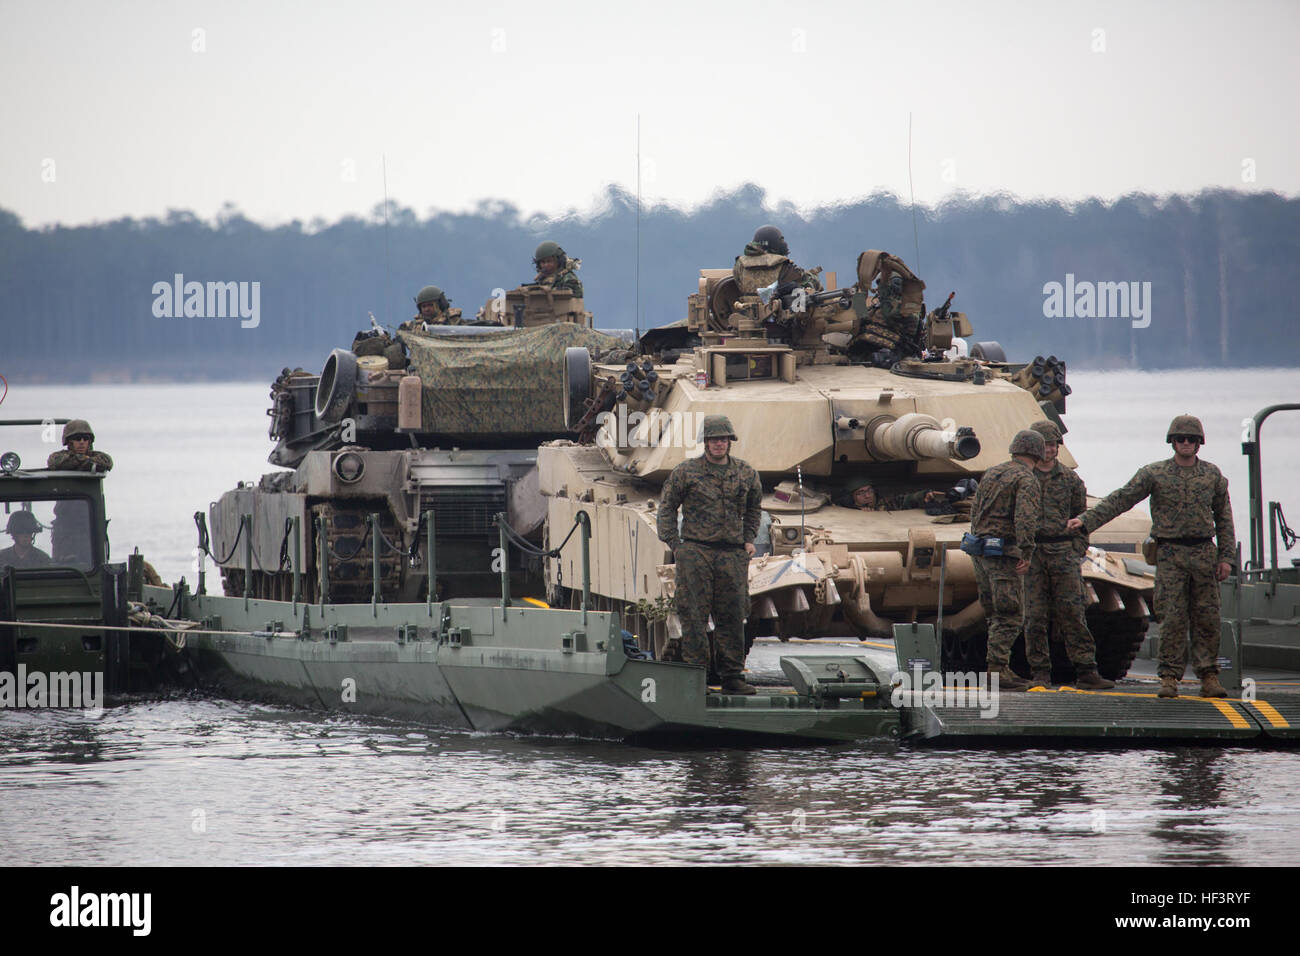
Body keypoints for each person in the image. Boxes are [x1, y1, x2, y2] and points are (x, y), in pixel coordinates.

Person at [1068, 415, 1235, 699]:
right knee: (1172, 618)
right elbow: (1121, 499)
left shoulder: (1212, 475)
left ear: (1199, 443)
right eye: (1180, 438)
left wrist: (1227, 558)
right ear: (1172, 442)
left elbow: (1224, 518)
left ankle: (1208, 676)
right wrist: (1086, 521)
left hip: (1204, 553)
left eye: (1192, 439)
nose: (1186, 443)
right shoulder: (1154, 473)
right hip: (1170, 554)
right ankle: (1169, 678)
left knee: (1207, 617)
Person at [656, 414, 763, 695]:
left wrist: (749, 538)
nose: (719, 443)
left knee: (732, 615)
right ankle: (696, 678)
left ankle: (732, 676)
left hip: (731, 553)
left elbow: (754, 508)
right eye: (714, 439)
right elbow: (666, 508)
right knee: (694, 617)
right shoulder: (686, 472)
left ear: (730, 441)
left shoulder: (746, 473)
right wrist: (675, 544)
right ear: (705, 442)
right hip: (696, 551)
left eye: (723, 439)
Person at [1023, 420, 1114, 689]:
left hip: (1063, 551)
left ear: (1058, 447)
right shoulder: (1023, 478)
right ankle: (1039, 672)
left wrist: (1076, 551)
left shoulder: (1071, 480)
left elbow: (1081, 519)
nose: (1049, 449)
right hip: (1033, 552)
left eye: (1052, 444)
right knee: (1034, 616)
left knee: (1073, 612)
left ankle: (1086, 670)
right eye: (1043, 445)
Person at [968, 430, 1044, 691]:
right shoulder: (1026, 478)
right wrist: (1026, 551)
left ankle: (1000, 666)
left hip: (980, 550)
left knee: (993, 613)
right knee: (1010, 614)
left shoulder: (992, 472)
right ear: (1037, 452)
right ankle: (997, 670)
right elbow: (1025, 519)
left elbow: (974, 510)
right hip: (1003, 554)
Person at [732, 225, 822, 295]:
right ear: (774, 243)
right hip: (781, 314)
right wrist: (812, 277)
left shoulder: (740, 264)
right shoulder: (783, 264)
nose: (783, 243)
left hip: (745, 313)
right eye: (781, 240)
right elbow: (813, 285)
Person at [841, 476, 948, 512]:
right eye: (861, 493)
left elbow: (907, 499)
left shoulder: (887, 503)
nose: (868, 495)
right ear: (852, 497)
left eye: (869, 490)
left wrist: (924, 495)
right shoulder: (845, 509)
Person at [46, 420, 113, 472]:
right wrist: (83, 460)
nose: (82, 442)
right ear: (70, 442)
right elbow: (53, 462)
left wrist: (84, 460)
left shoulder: (97, 456)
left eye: (85, 438)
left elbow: (108, 462)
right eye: (77, 438)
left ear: (89, 442)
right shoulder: (60, 457)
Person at [399, 285, 463, 331]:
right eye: (424, 306)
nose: (427, 309)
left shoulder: (455, 322)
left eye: (430, 305)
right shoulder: (413, 326)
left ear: (440, 305)